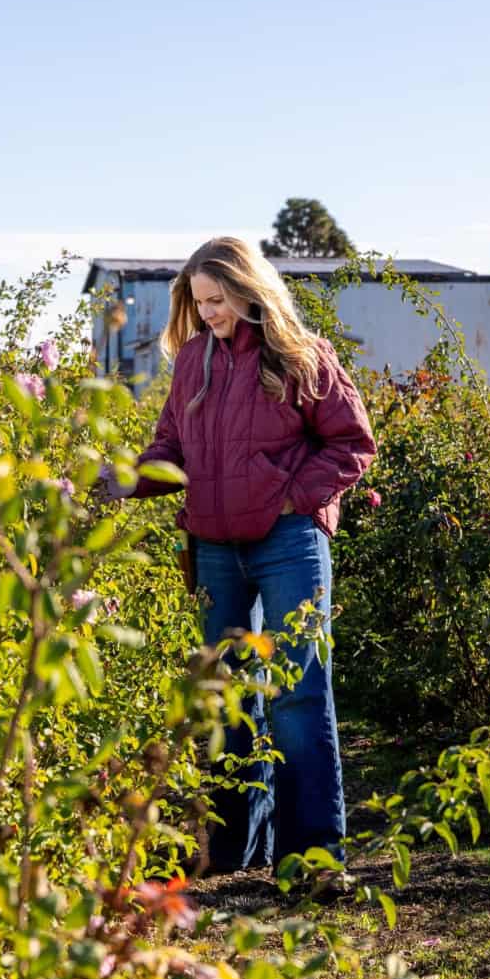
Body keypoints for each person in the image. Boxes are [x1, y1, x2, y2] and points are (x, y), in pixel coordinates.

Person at [98, 237, 376, 874]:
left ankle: (312, 857)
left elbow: (353, 443)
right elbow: (172, 444)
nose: (210, 313)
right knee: (225, 697)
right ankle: (231, 853)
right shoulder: (194, 359)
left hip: (287, 545)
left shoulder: (302, 357)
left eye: (218, 300)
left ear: (251, 291)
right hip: (215, 546)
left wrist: (292, 498)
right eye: (199, 303)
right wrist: (122, 480)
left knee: (297, 693)